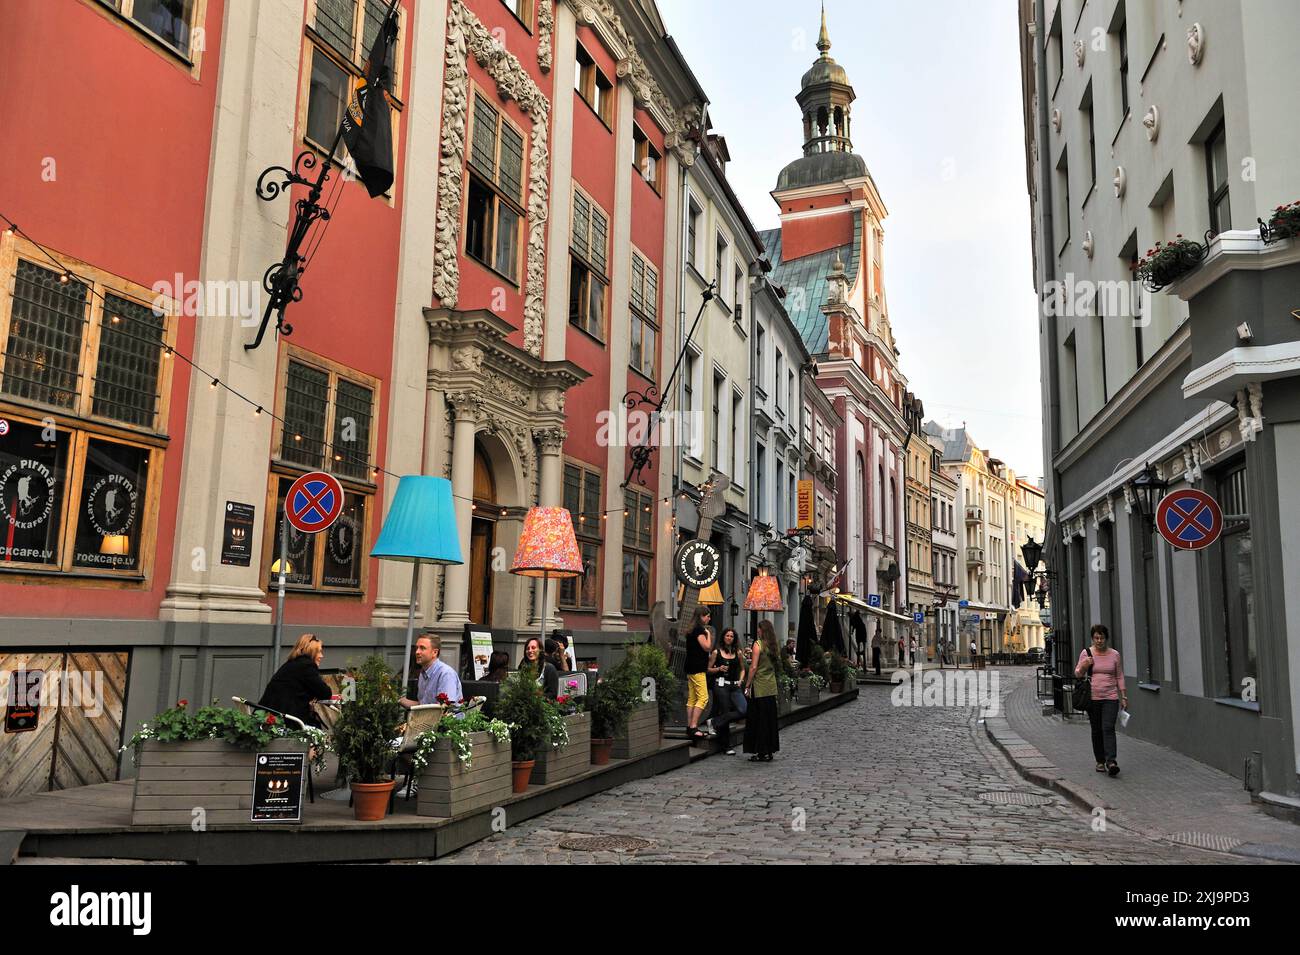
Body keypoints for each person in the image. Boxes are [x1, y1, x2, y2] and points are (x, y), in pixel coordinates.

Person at [1076, 623, 1127, 776]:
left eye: (1102, 638)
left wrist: (1123, 695)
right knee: (1097, 730)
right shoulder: (1086, 653)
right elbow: (1078, 674)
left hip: (1110, 697)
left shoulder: (1114, 655)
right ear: (1092, 639)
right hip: (1093, 698)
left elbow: (1119, 675)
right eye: (1096, 638)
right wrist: (1085, 665)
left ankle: (1111, 761)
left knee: (1108, 728)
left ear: (1106, 639)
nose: (1099, 641)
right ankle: (1100, 760)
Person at [258, 633, 332, 728]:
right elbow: (325, 693)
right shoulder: (307, 666)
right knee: (318, 733)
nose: (321, 656)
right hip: (287, 722)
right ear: (312, 652)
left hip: (269, 716)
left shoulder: (292, 664)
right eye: (319, 652)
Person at [742, 619, 780, 762]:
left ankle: (760, 750)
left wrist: (747, 684)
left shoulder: (758, 645)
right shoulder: (773, 646)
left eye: (759, 629)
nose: (757, 631)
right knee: (769, 720)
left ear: (762, 630)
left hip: (759, 686)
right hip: (770, 685)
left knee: (758, 719)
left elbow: (753, 667)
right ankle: (769, 749)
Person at [707, 627, 747, 754]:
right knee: (725, 710)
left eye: (732, 636)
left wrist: (741, 680)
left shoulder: (738, 653)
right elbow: (708, 669)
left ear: (734, 639)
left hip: (735, 686)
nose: (729, 638)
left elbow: (742, 669)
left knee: (743, 709)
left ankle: (714, 721)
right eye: (727, 635)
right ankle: (727, 746)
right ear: (723, 637)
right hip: (720, 685)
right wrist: (718, 669)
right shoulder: (716, 652)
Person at [400, 634, 463, 711]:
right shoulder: (423, 673)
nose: (417, 652)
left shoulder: (446, 674)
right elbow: (423, 705)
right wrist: (398, 700)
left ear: (435, 652)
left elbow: (445, 708)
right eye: (417, 648)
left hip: (447, 722)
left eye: (422, 648)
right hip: (427, 720)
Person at [684, 606, 714, 740]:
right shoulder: (700, 630)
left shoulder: (691, 630)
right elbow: (707, 647)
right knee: (703, 698)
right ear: (701, 616)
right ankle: (694, 727)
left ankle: (689, 725)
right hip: (698, 669)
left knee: (692, 698)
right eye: (707, 616)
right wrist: (708, 634)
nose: (709, 618)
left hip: (690, 668)